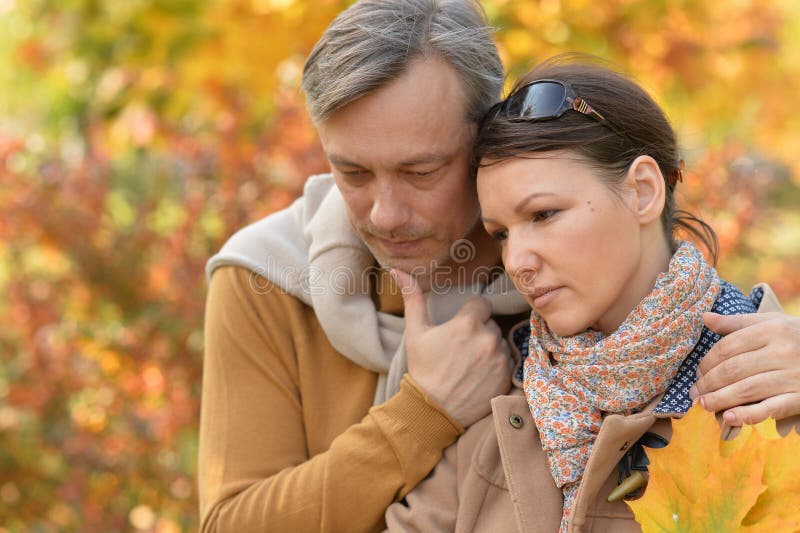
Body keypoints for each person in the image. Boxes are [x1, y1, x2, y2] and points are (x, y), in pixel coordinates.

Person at [198, 1, 800, 531]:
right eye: (351, 172)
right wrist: (422, 415)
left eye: (421, 171)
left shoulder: (582, 303)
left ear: (482, 148)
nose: (384, 212)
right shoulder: (265, 279)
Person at [384, 56, 800, 533]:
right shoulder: (498, 395)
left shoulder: (771, 404)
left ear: (643, 191)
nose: (516, 261)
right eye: (501, 233)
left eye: (542, 215)